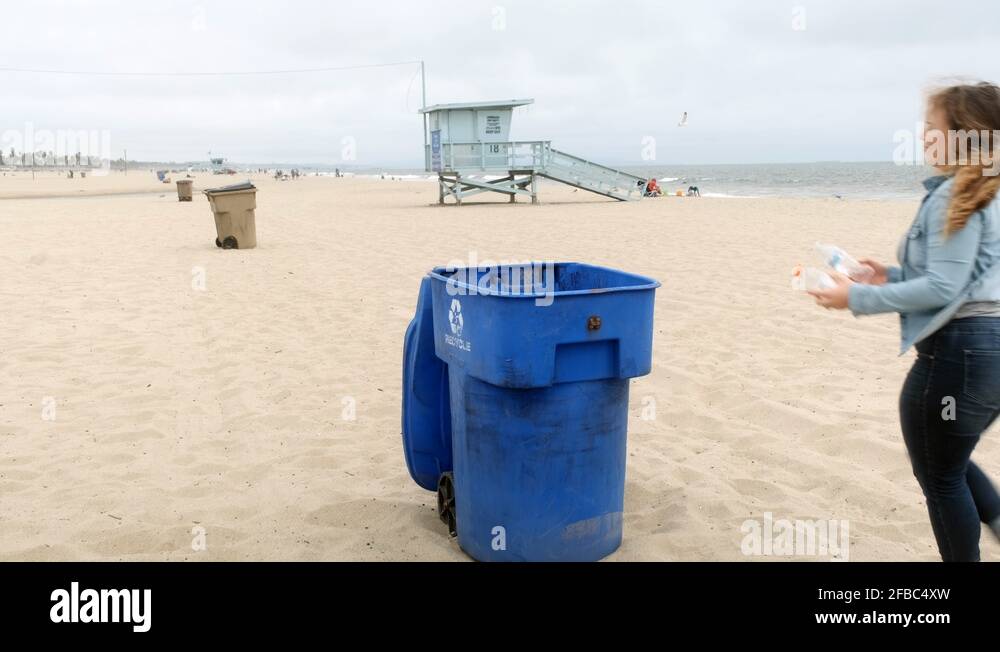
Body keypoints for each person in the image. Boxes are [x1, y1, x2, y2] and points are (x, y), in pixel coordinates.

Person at [810, 81, 1000, 561]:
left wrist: (854, 296)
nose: (922, 136)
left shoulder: (956, 192)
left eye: (931, 127)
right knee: (950, 463)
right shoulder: (989, 191)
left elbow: (944, 288)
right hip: (992, 349)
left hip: (959, 352)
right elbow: (972, 276)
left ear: (963, 137)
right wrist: (887, 275)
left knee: (940, 475)